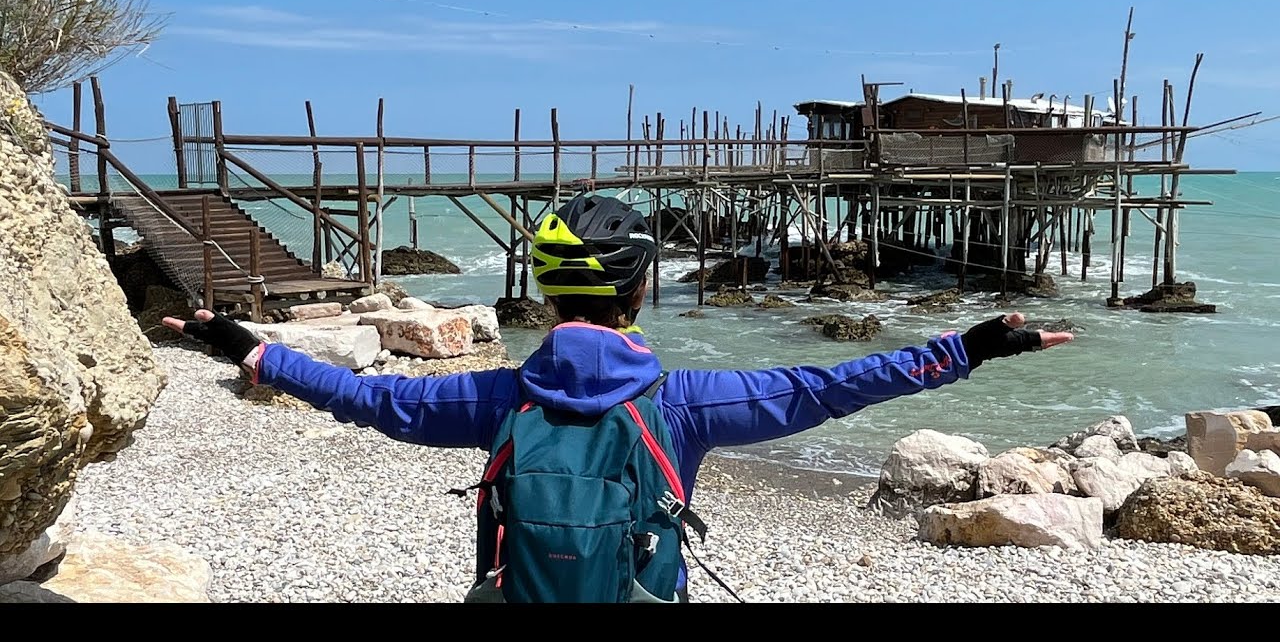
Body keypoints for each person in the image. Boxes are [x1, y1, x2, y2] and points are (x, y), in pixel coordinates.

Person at [163, 193, 1073, 603]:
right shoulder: (688, 403)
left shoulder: (498, 397)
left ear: (550, 299)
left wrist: (252, 349)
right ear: (641, 293)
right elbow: (828, 388)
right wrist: (970, 348)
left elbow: (374, 401)